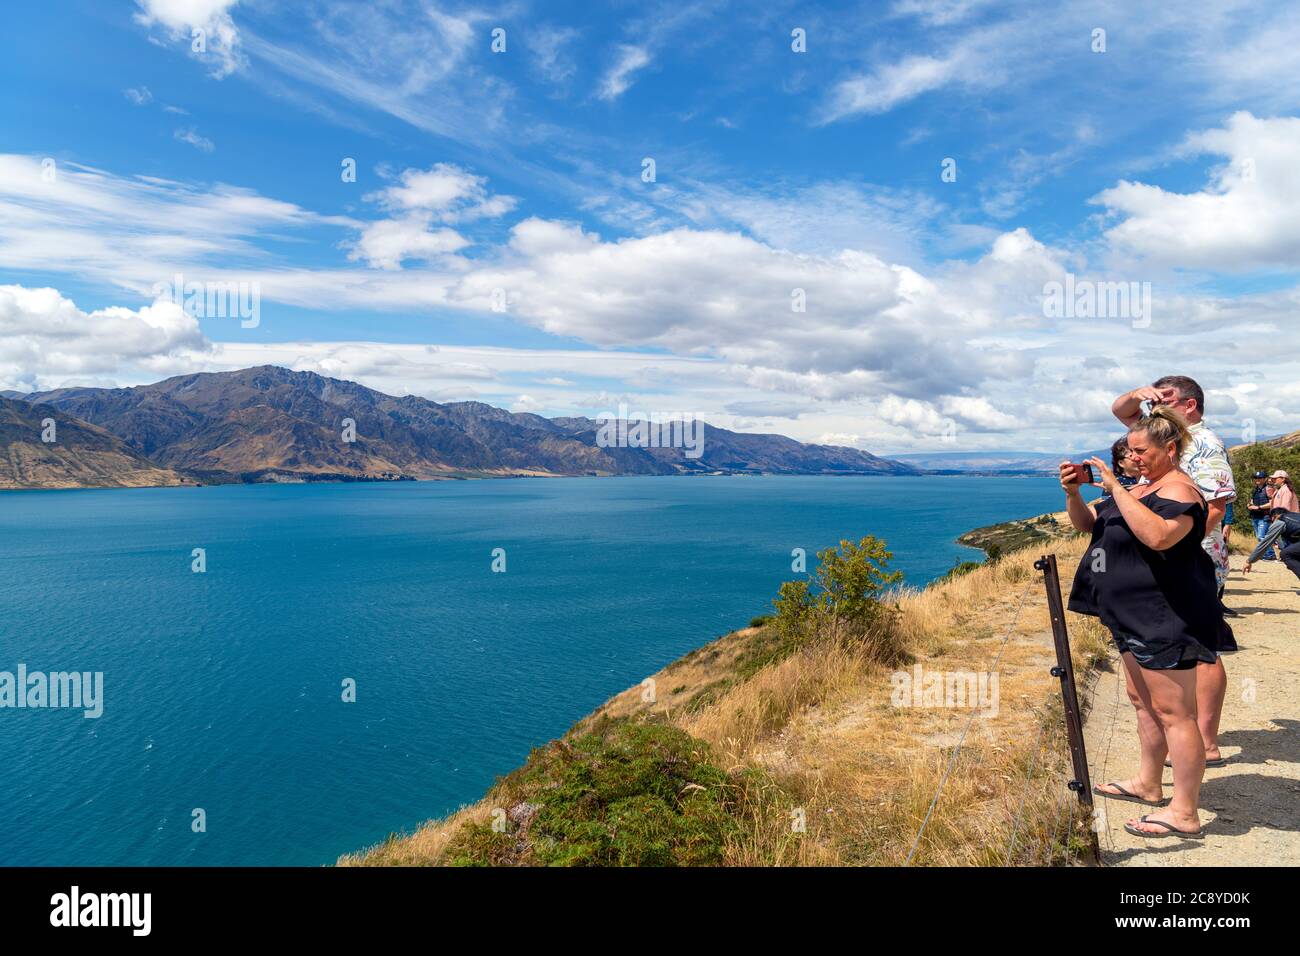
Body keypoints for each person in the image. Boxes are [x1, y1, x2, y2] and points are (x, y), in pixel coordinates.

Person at [1063, 405, 1231, 839]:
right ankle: (1148, 783)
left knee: (1176, 714)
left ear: (1169, 448)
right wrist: (1073, 495)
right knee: (1144, 705)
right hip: (1128, 617)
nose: (1131, 457)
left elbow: (1158, 536)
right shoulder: (1141, 488)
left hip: (1164, 617)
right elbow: (1090, 525)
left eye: (1140, 451)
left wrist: (1117, 485)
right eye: (1128, 452)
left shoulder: (1180, 491)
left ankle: (1185, 812)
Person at [1111, 376, 1236, 766]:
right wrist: (1136, 394)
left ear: (1190, 405)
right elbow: (1120, 410)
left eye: (1163, 399)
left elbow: (1217, 503)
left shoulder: (1204, 442)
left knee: (1202, 646)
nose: (1151, 406)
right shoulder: (1160, 432)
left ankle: (1205, 739)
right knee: (1176, 646)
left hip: (1191, 553)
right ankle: (1180, 732)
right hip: (1165, 552)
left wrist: (1183, 545)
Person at [1244, 508, 1300, 583]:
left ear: (1275, 516)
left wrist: (1249, 561)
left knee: (1285, 554)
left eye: (1271, 520)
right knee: (1293, 557)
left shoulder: (1280, 521)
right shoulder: (1296, 515)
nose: (1271, 523)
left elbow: (1265, 543)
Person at [1247, 471, 1277, 560]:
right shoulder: (1255, 489)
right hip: (1255, 516)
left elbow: (1272, 503)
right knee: (1259, 537)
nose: (1257, 479)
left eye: (1259, 478)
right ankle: (1269, 554)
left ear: (1265, 479)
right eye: (1256, 478)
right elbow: (1253, 500)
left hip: (1264, 517)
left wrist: (1258, 507)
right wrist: (1250, 505)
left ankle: (1269, 555)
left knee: (1261, 536)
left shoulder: (1269, 489)